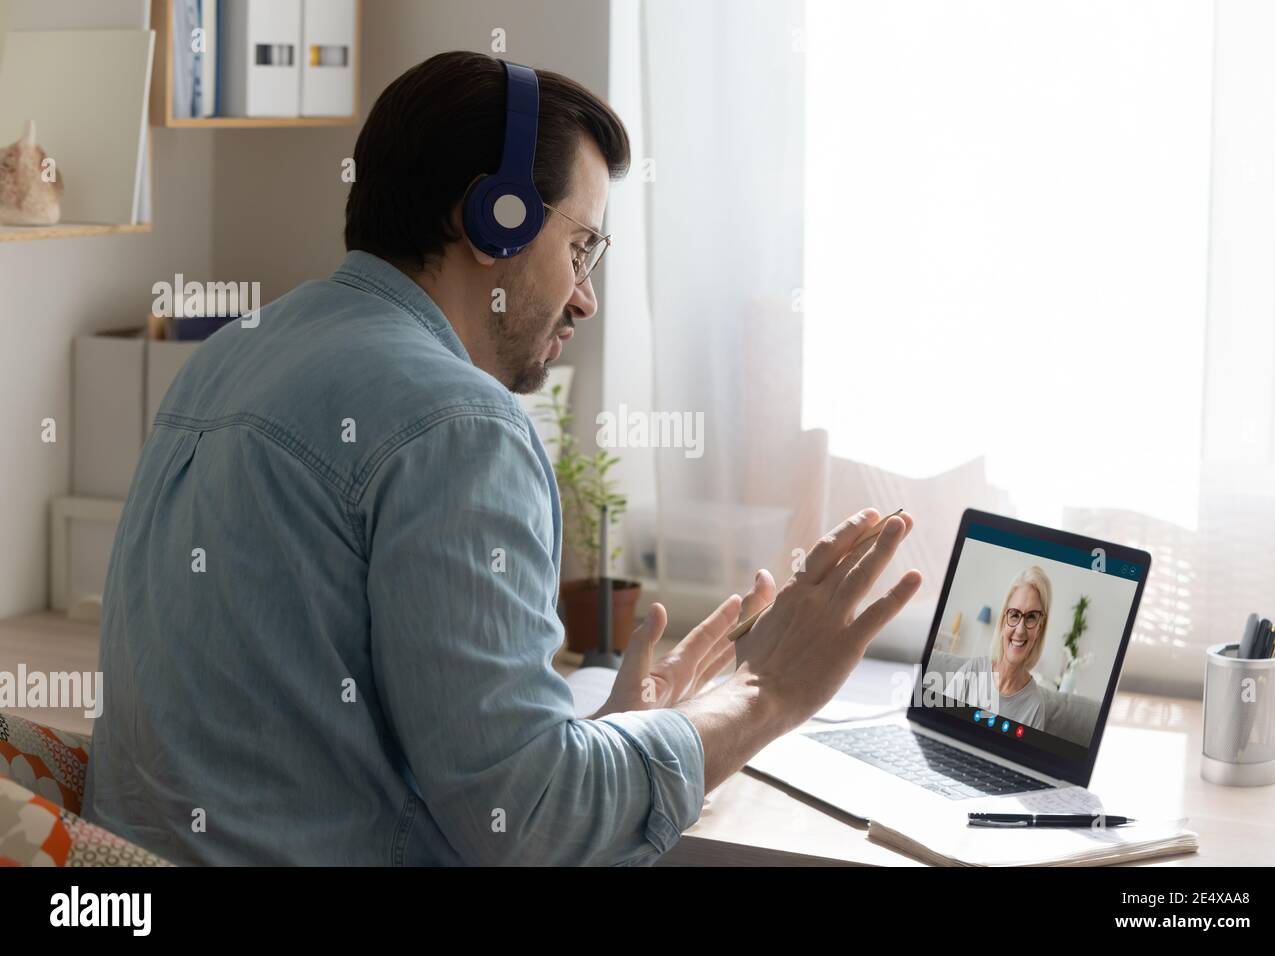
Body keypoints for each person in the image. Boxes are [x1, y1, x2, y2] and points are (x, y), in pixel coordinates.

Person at [84, 51, 922, 865]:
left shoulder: (231, 353)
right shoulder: (458, 422)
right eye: (582, 247)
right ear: (494, 219)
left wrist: (592, 747)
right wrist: (765, 694)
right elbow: (526, 827)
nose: (586, 296)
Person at [944, 566, 1052, 730]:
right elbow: (938, 723)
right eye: (1014, 615)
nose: (1020, 630)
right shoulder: (972, 671)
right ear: (1003, 621)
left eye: (1031, 617)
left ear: (1039, 628)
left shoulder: (1034, 707)